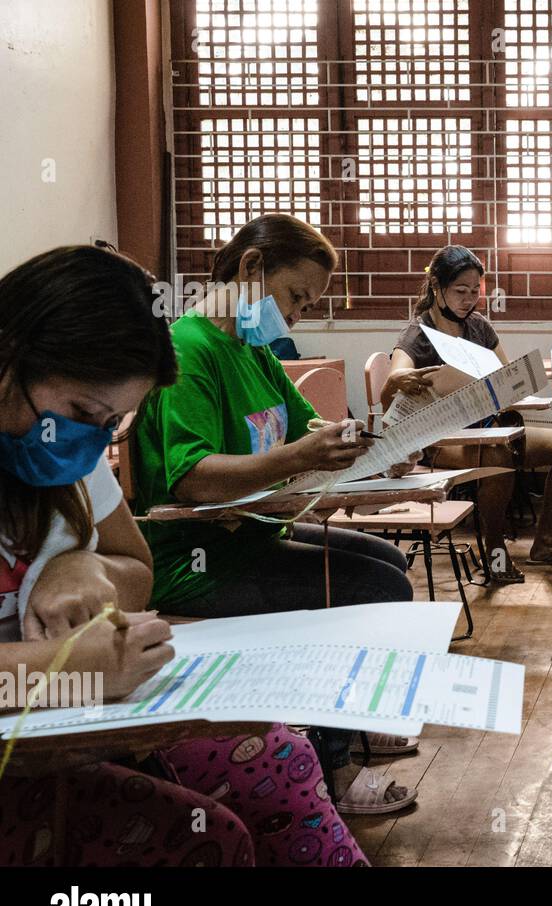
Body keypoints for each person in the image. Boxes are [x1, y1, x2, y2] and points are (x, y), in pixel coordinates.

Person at [0, 244, 365, 865]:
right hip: (34, 730)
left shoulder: (69, 458)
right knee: (205, 839)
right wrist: (58, 670)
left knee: (281, 756)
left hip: (79, 718)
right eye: (83, 412)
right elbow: (190, 482)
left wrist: (82, 566)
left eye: (110, 422)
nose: (89, 441)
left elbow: (135, 567)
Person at [131, 214, 416, 815]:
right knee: (366, 587)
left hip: (252, 535)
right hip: (195, 557)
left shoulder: (250, 346)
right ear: (251, 267)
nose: (295, 317)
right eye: (295, 298)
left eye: (307, 306)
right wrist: (303, 455)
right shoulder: (190, 348)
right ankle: (333, 770)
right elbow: (192, 477)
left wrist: (376, 448)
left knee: (389, 561)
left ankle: (355, 722)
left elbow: (311, 428)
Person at [382, 245, 552, 584]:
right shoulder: (418, 334)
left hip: (491, 425)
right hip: (441, 440)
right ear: (436, 287)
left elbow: (506, 376)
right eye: (459, 291)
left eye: (475, 291)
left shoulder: (478, 326)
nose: (468, 300)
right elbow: (390, 386)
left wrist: (515, 388)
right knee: (498, 450)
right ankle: (495, 550)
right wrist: (398, 379)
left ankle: (546, 541)